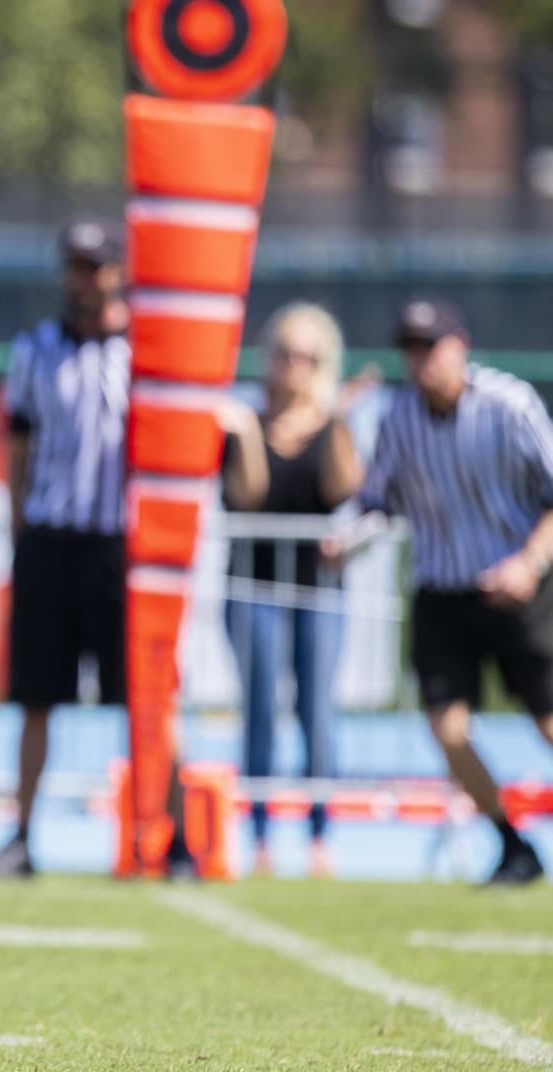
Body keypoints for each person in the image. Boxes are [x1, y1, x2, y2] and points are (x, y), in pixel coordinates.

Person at [0, 219, 195, 879]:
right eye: (77, 266)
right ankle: (20, 838)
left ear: (119, 271)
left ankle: (174, 834)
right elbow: (18, 448)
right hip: (49, 541)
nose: (87, 279)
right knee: (36, 697)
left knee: (146, 698)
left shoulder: (147, 352)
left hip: (120, 551)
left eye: (97, 266)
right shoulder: (35, 349)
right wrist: (19, 529)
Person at [324, 298, 553, 887]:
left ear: (460, 346)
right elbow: (381, 501)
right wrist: (348, 540)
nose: (420, 359)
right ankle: (511, 842)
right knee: (447, 728)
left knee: (548, 722)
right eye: (411, 348)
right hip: (442, 591)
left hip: (519, 587)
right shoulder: (400, 418)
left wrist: (528, 564)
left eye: (431, 345)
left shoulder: (509, 404)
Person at [218, 302, 365, 878]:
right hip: (252, 587)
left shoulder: (334, 423)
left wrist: (336, 422)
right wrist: (252, 434)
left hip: (319, 591)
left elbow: (341, 492)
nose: (294, 366)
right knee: (258, 710)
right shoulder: (243, 422)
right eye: (284, 353)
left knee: (316, 712)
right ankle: (256, 838)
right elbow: (244, 498)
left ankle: (320, 837)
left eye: (307, 356)